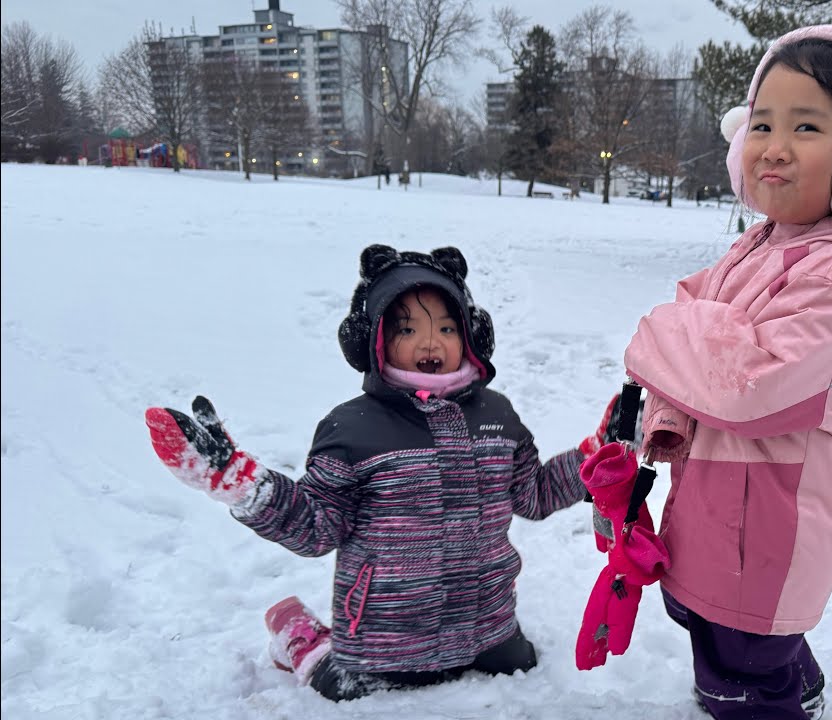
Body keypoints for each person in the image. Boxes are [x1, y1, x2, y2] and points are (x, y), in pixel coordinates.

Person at [622, 25, 832, 720]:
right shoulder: (766, 241)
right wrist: (667, 408)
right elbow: (699, 316)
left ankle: (765, 702)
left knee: (738, 651)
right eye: (763, 123)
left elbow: (745, 387)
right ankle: (792, 684)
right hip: (727, 493)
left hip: (773, 515)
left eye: (806, 126)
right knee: (707, 613)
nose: (774, 147)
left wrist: (662, 341)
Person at [145, 244, 614, 702]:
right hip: (385, 637)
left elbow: (533, 494)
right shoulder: (352, 428)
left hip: (486, 626)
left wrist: (597, 455)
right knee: (342, 692)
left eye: (448, 328)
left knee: (520, 669)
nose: (431, 342)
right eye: (408, 330)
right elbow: (316, 525)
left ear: (471, 335)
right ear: (376, 341)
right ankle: (300, 635)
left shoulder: (498, 415)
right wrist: (243, 487)